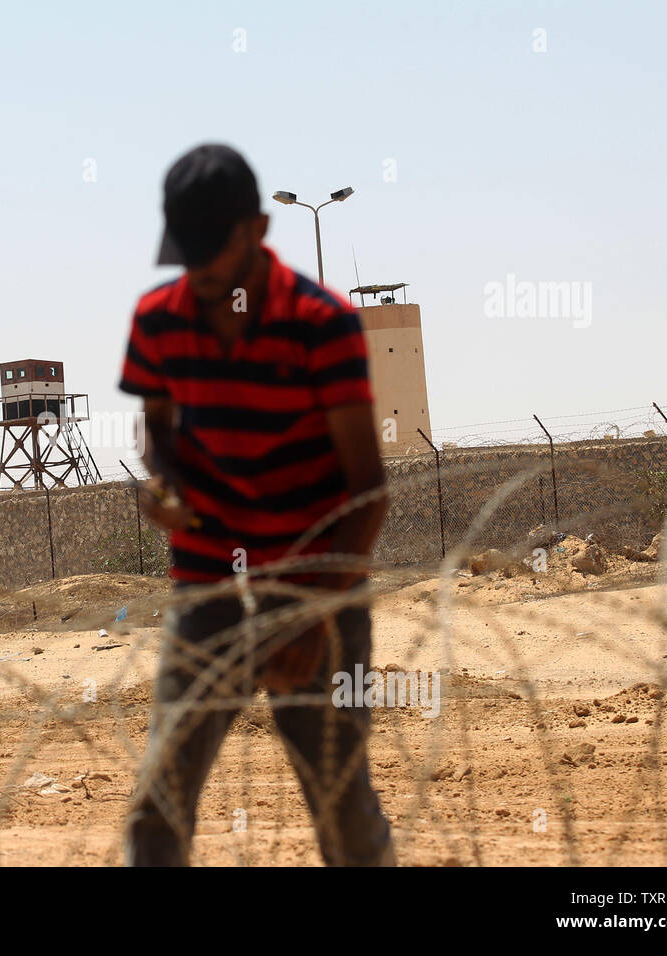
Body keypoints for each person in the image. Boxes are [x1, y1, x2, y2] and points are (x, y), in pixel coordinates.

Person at [118, 143, 395, 866]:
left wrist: (314, 612)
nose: (201, 272)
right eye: (190, 253)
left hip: (316, 586)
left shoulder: (322, 323)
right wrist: (164, 486)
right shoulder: (157, 320)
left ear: (258, 232)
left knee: (342, 806)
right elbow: (158, 433)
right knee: (157, 807)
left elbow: (367, 490)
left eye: (214, 251)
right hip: (209, 589)